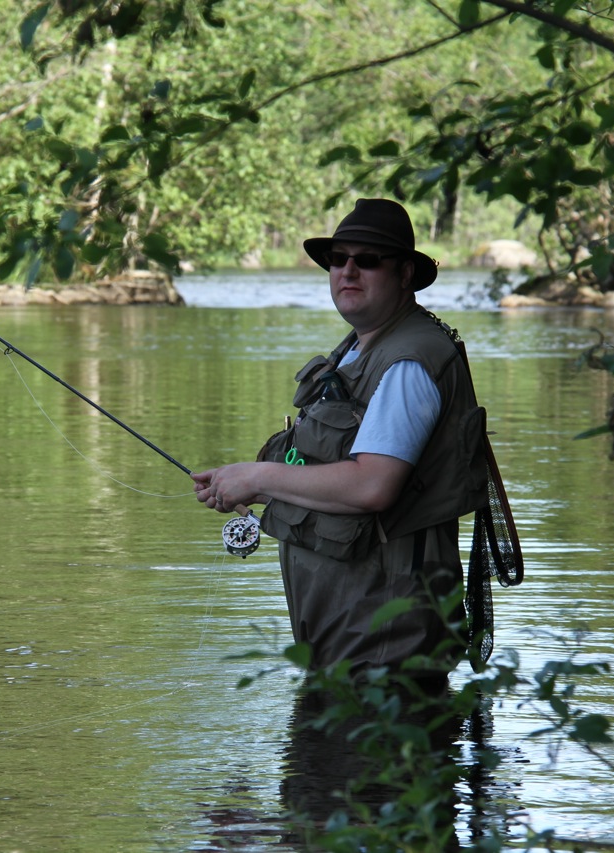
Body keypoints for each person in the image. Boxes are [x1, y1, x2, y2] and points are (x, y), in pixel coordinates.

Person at [192, 198, 489, 687]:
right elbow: (344, 471)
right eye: (338, 258)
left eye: (367, 259)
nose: (348, 270)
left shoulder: (408, 362)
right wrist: (251, 486)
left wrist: (260, 474)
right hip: (350, 632)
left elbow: (373, 485)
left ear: (406, 274)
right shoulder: (359, 345)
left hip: (382, 639)